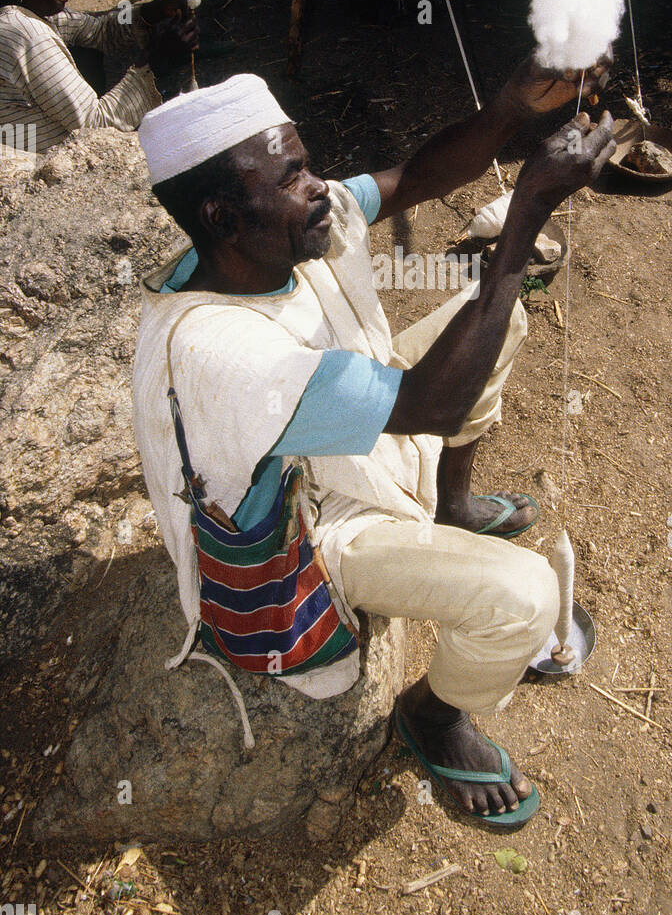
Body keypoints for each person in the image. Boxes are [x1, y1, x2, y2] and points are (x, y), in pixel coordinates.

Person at [132, 58, 614, 827]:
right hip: (321, 529)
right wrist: (524, 215)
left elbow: (415, 176)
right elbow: (433, 401)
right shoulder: (217, 351)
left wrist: (509, 106)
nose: (318, 185)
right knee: (527, 597)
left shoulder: (277, 237)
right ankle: (433, 715)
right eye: (291, 175)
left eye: (308, 163)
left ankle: (449, 504)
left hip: (363, 446)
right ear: (221, 215)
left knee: (502, 320)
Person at [0, 0, 199, 158]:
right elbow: (94, 127)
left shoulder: (34, 15)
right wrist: (157, 62)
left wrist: (150, 11)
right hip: (44, 168)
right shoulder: (23, 33)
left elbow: (100, 29)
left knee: (88, 51)